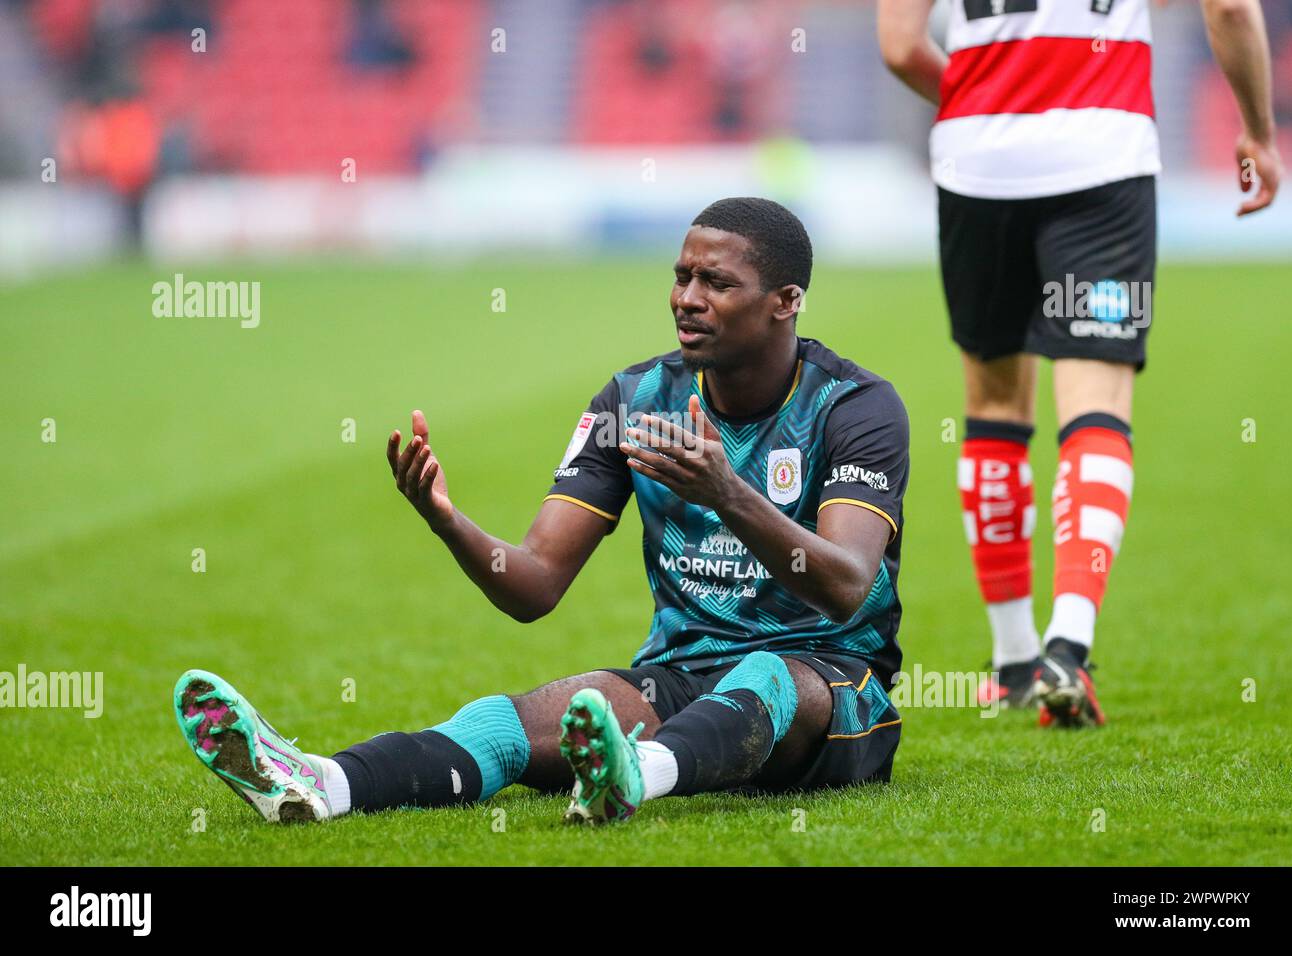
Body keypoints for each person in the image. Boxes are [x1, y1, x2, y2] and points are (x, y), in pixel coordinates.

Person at [174, 197, 911, 823]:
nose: (687, 297)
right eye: (682, 276)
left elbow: (847, 584)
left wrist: (727, 494)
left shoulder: (853, 408)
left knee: (768, 677)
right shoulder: (634, 401)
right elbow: (533, 584)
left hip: (831, 683)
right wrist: (447, 521)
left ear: (785, 301)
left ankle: (637, 772)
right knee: (517, 720)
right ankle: (315, 783)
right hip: (684, 674)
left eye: (717, 282)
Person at [877, 0, 1282, 725]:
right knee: (1096, 406)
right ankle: (1069, 643)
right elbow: (1227, 7)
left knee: (994, 408)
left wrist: (990, 104)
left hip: (979, 162)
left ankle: (1010, 662)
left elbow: (901, 46)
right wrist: (1258, 128)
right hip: (1099, 154)